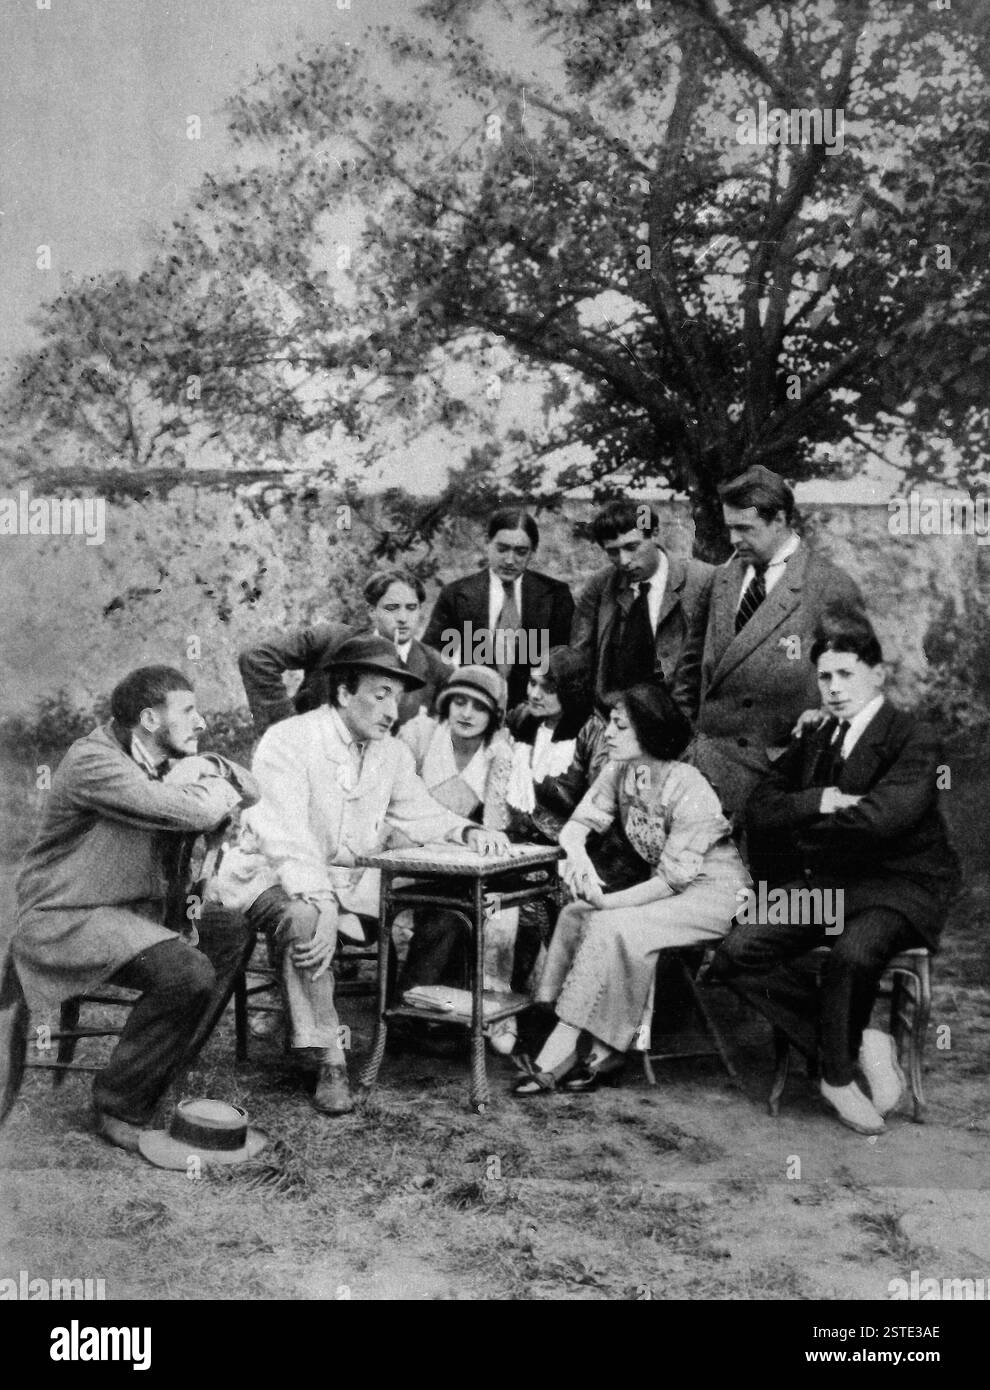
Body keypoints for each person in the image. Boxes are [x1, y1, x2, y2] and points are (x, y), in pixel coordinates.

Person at [214, 637, 510, 1117]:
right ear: (343, 693)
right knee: (306, 916)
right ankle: (329, 1058)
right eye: (380, 694)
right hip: (267, 873)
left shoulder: (388, 753)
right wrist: (325, 903)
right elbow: (286, 838)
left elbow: (419, 811)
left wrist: (467, 830)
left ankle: (406, 1022)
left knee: (439, 902)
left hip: (343, 879)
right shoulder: (289, 739)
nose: (392, 709)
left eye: (397, 696)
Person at [710, 609, 961, 1135]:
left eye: (846, 675)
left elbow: (881, 821)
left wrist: (804, 832)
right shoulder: (819, 735)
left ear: (877, 675)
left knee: (853, 954)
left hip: (900, 886)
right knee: (736, 953)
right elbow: (762, 807)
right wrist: (819, 799)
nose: (835, 688)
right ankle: (857, 1041)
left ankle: (836, 1077)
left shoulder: (913, 739)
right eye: (825, 677)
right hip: (831, 884)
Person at [11, 666, 259, 1153]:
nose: (201, 721)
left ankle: (159, 1069)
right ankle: (118, 1106)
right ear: (149, 718)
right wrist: (207, 781)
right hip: (67, 916)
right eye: (188, 711)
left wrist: (213, 767)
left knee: (230, 929)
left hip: (134, 912)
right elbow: (198, 812)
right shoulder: (93, 762)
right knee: (187, 974)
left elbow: (251, 788)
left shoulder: (166, 760)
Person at [512, 682, 749, 1096]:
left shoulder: (687, 784)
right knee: (574, 915)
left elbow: (672, 880)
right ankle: (598, 1045)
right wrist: (578, 854)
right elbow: (576, 828)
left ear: (650, 730)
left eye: (620, 727)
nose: (608, 734)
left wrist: (607, 901)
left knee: (608, 923)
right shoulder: (619, 771)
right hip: (672, 891)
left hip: (717, 894)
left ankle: (562, 1050)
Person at [672, 464, 863, 824]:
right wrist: (685, 742)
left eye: (745, 529)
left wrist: (823, 717)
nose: (733, 540)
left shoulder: (827, 586)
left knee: (760, 877)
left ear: (780, 520)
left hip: (775, 778)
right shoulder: (723, 580)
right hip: (703, 769)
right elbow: (691, 667)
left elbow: (858, 683)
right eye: (730, 528)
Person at [396, 666, 518, 1053]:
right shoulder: (421, 735)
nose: (466, 713)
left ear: (494, 716)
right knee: (445, 913)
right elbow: (392, 797)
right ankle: (408, 1014)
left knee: (464, 912)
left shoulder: (496, 752)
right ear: (445, 703)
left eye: (479, 707)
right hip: (406, 853)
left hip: (460, 864)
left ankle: (444, 1017)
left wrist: (500, 759)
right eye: (459, 702)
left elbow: (496, 825)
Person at [238, 567, 449, 735]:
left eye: (411, 608)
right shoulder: (331, 640)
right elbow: (256, 658)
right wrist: (285, 730)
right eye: (392, 608)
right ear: (372, 611)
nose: (403, 618)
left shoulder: (435, 667)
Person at [421, 507, 574, 710]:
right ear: (487, 543)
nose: (510, 560)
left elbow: (566, 666)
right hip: (475, 710)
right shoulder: (457, 594)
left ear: (533, 551)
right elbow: (431, 660)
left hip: (534, 714)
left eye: (521, 552)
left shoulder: (556, 596)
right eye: (502, 549)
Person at [570, 499, 713, 706]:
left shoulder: (702, 580)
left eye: (632, 547)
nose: (624, 560)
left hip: (680, 715)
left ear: (654, 534)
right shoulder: (600, 586)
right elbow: (579, 657)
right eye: (613, 552)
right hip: (616, 714)